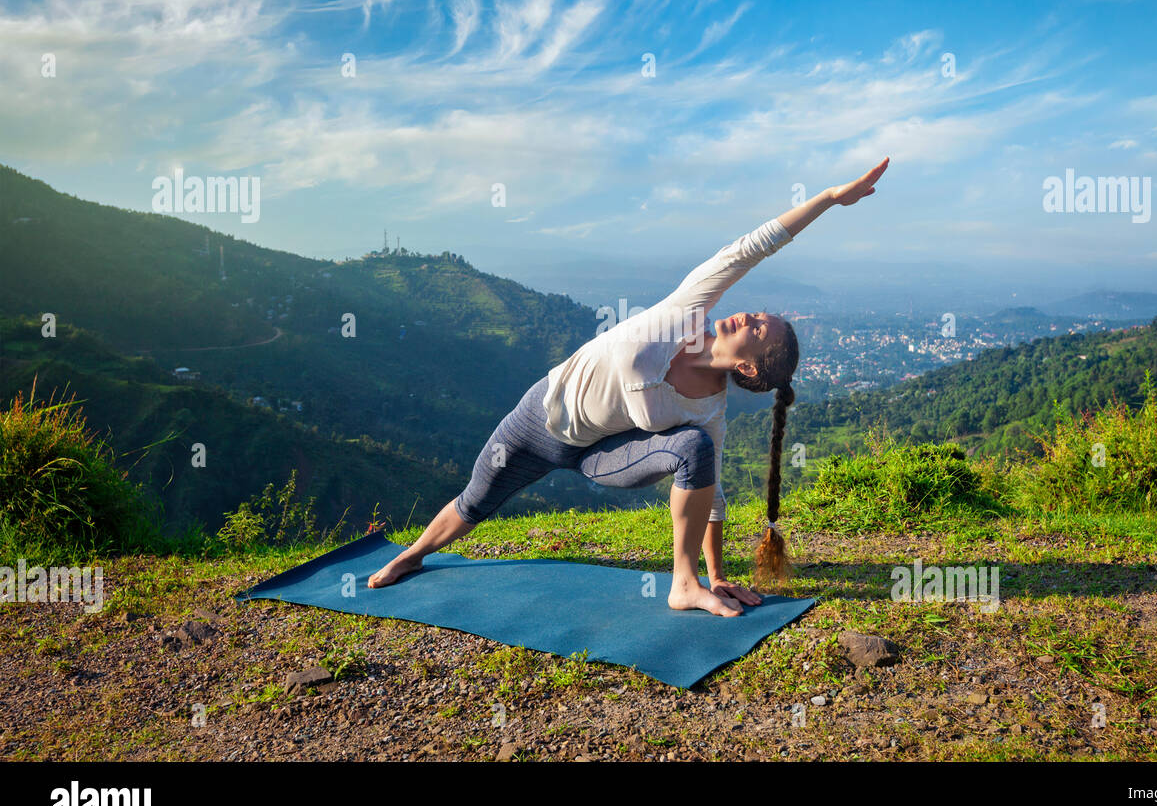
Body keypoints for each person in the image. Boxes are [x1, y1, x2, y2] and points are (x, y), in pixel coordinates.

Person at [368, 158, 890, 616]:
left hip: (601, 452)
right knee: (475, 501)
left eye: (758, 330)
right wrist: (827, 199)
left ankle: (683, 585)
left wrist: (715, 573)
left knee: (694, 448)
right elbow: (749, 249)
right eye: (757, 314)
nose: (749, 317)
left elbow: (712, 494)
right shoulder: (687, 309)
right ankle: (413, 555)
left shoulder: (708, 409)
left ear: (751, 369)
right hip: (539, 417)